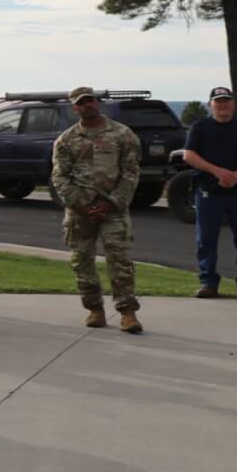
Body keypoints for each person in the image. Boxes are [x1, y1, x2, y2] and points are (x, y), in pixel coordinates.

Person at [52, 86, 145, 333]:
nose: (88, 105)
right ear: (75, 108)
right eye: (82, 102)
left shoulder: (122, 134)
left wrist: (112, 201)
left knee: (120, 260)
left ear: (97, 102)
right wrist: (80, 204)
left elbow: (131, 172)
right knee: (81, 261)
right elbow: (59, 176)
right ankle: (94, 309)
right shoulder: (66, 140)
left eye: (91, 100)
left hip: (113, 208)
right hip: (80, 210)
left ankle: (127, 313)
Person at [182, 85, 237, 301]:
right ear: (210, 105)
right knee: (206, 240)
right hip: (209, 191)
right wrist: (217, 171)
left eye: (227, 101)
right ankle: (208, 283)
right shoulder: (200, 127)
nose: (223, 105)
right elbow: (189, 155)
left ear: (233, 104)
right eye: (218, 101)